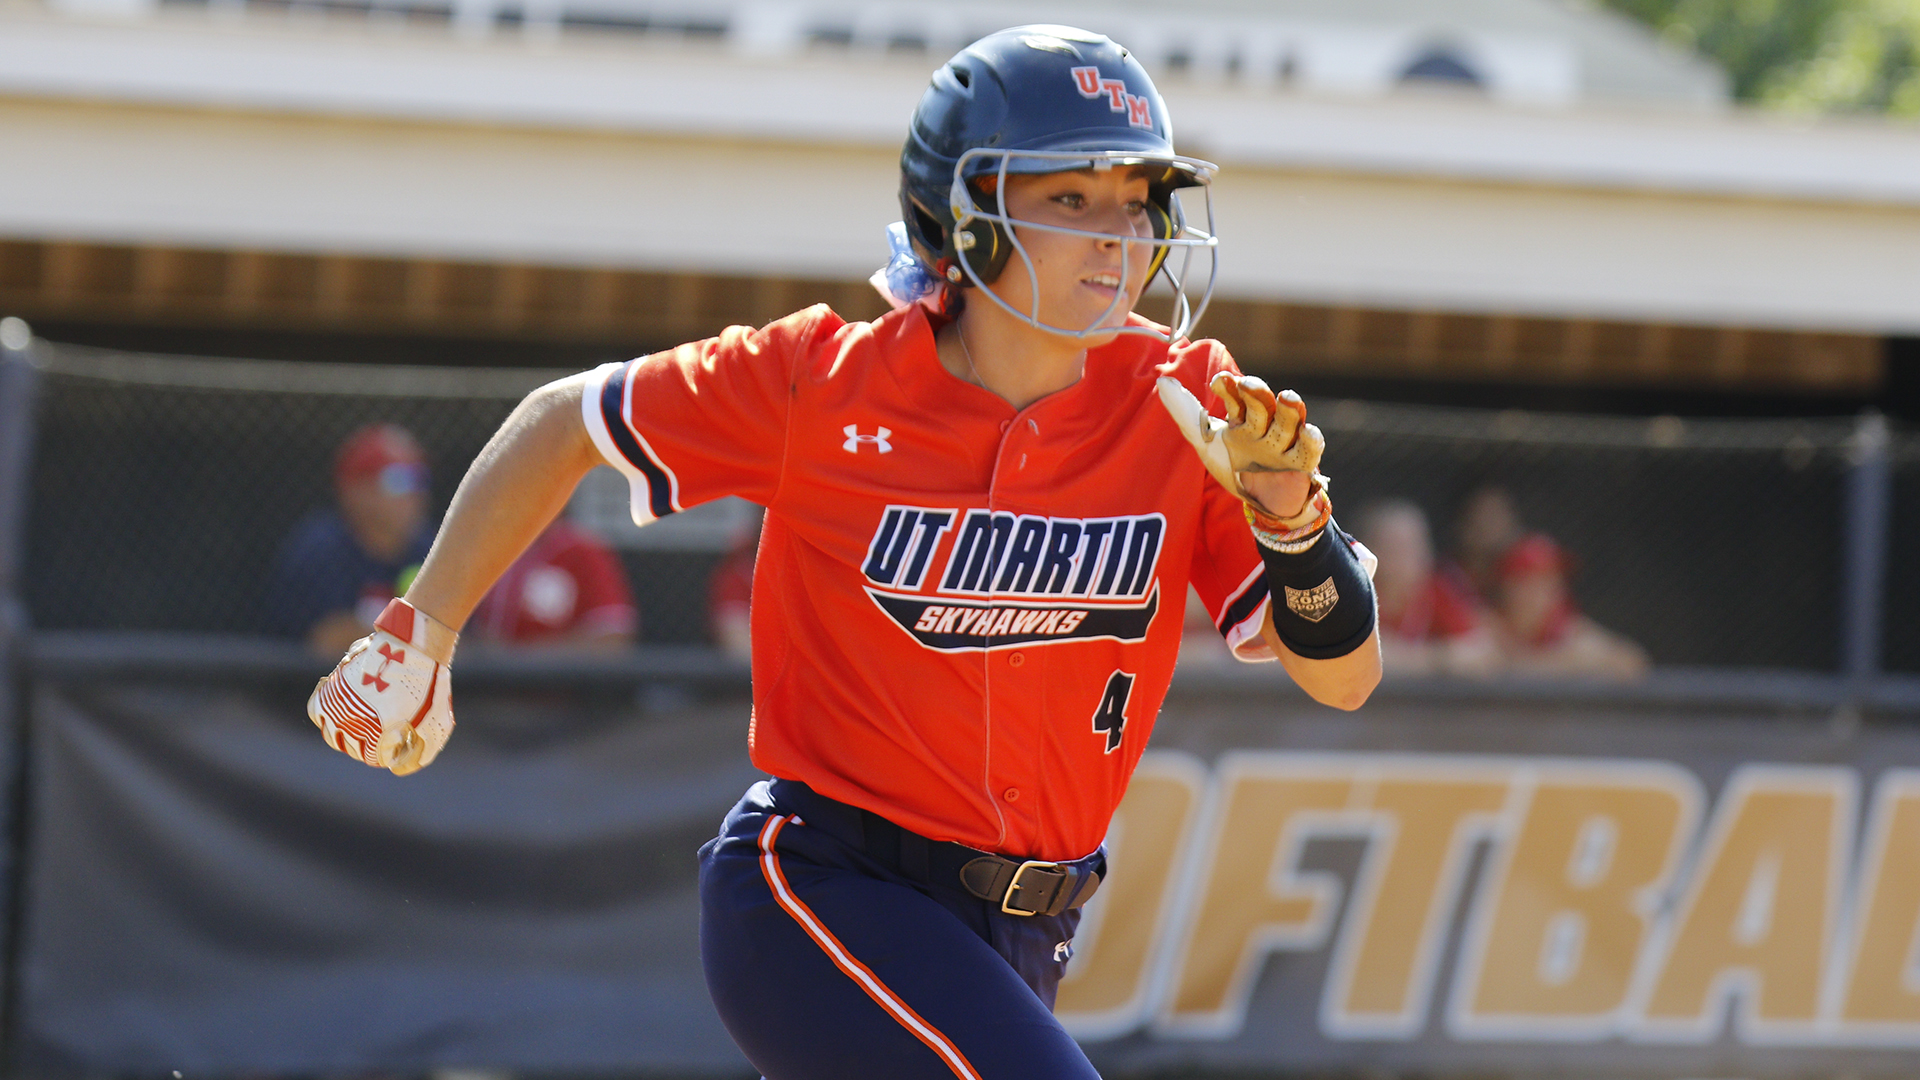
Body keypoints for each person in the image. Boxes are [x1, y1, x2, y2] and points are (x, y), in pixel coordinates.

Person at [302, 26, 1381, 1079]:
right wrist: (422, 629)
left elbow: (1346, 677)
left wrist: (1292, 520)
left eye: (1138, 199)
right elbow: (562, 422)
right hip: (821, 885)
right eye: (1071, 197)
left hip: (1026, 932)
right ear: (965, 220)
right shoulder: (825, 379)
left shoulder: (1183, 400)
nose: (1121, 233)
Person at [264, 423, 434, 656]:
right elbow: (327, 641)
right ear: (355, 490)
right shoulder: (320, 550)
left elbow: (459, 641)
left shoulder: (430, 552)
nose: (413, 493)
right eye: (398, 480)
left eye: (418, 479)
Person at [1356, 499, 1499, 677]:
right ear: (1369, 550)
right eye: (1398, 547)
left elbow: (1483, 650)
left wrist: (1425, 657)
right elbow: (1351, 657)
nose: (1411, 557)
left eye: (1417, 545)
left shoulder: (1436, 589)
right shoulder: (1354, 592)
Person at [1490, 533, 1649, 681]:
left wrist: (1573, 660)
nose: (1551, 590)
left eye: (1554, 580)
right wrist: (1572, 662)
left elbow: (1631, 661)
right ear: (1509, 587)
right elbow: (1487, 668)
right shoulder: (1488, 624)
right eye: (1536, 581)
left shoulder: (1564, 624)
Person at [466, 518, 638, 649]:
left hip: (560, 688)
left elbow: (613, 638)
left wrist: (524, 658)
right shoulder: (488, 549)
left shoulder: (581, 550)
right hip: (488, 687)